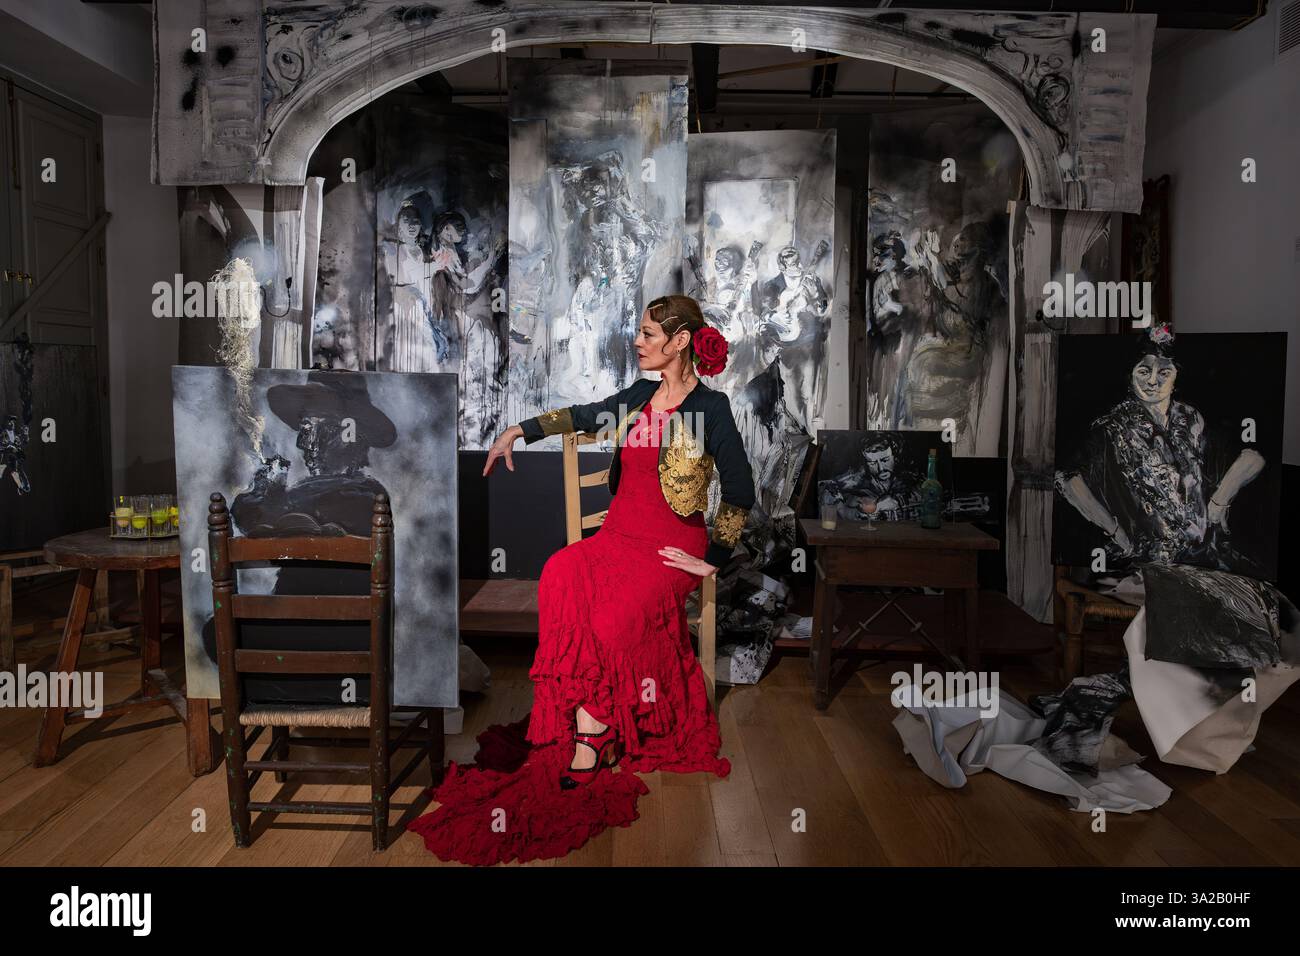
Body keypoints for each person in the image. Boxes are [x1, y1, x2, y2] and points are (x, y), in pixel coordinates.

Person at [408, 294, 755, 865]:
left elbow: (740, 492)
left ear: (681, 341)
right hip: (617, 537)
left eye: (647, 334)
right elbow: (588, 415)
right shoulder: (640, 396)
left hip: (670, 548)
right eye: (638, 333)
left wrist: (714, 556)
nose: (638, 342)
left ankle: (591, 736)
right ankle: (584, 713)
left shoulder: (711, 410)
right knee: (560, 572)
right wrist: (520, 429)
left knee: (615, 619)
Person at [1055, 333, 1265, 572]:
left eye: (1164, 373)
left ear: (1176, 376)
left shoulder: (1190, 417)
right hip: (1149, 560)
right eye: (1144, 372)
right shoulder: (1111, 427)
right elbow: (1068, 479)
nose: (1153, 382)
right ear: (1131, 374)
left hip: (1203, 550)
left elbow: (1253, 457)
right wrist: (1116, 532)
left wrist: (1220, 499)